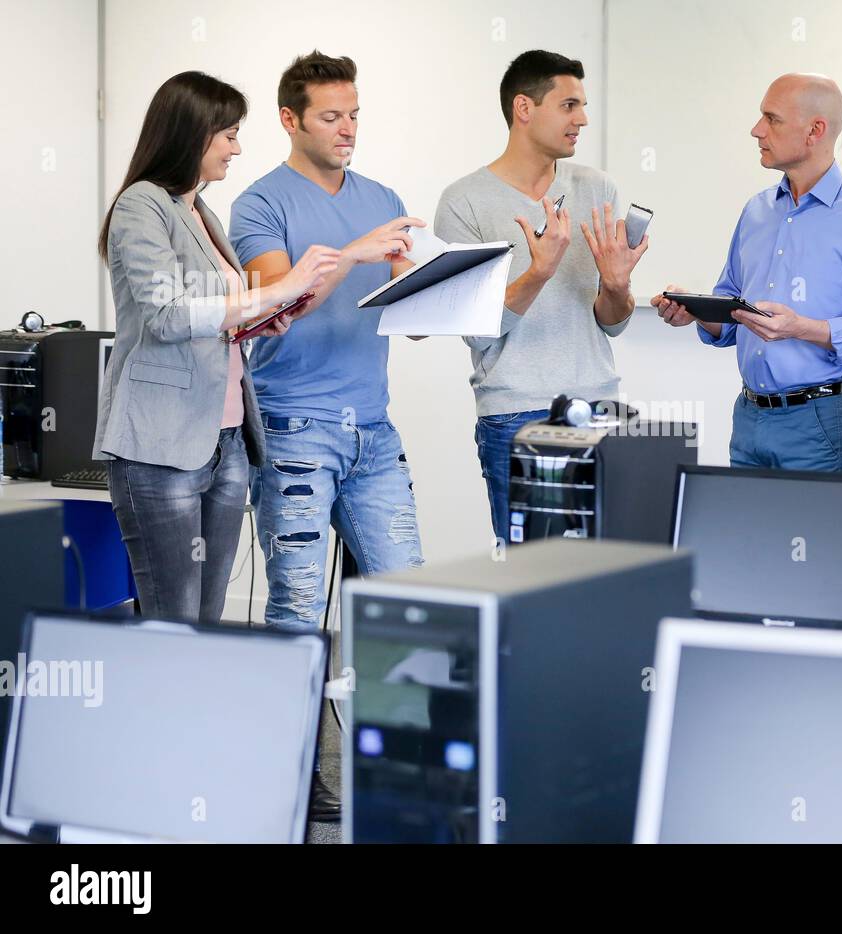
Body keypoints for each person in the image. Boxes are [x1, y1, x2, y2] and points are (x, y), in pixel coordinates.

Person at [230, 51, 426, 822]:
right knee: (298, 607)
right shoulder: (259, 205)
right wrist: (355, 253)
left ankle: (401, 780)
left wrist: (437, 293)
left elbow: (399, 319)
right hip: (295, 428)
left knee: (407, 601)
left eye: (354, 114)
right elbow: (283, 301)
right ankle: (290, 785)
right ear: (291, 120)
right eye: (330, 117)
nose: (347, 129)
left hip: (372, 430)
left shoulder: (381, 197)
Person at [94, 70, 338, 624]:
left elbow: (213, 314)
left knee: (206, 618)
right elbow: (169, 314)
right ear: (191, 133)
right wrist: (278, 288)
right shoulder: (143, 205)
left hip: (223, 439)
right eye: (227, 133)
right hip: (161, 445)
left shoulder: (198, 210)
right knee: (174, 619)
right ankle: (158, 713)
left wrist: (260, 316)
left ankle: (196, 711)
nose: (236, 146)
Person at [434, 49, 648, 544]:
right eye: (569, 105)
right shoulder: (464, 201)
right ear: (524, 109)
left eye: (583, 106)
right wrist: (540, 271)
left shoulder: (598, 189)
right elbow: (475, 330)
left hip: (599, 407)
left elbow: (612, 321)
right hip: (516, 415)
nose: (583, 119)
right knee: (532, 579)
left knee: (606, 572)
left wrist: (617, 286)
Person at [651, 73, 842, 473]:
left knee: (822, 535)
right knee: (746, 535)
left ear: (815, 130)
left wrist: (800, 327)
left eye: (772, 119)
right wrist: (698, 312)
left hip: (818, 422)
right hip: (748, 417)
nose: (756, 130)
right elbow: (731, 319)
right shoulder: (756, 211)